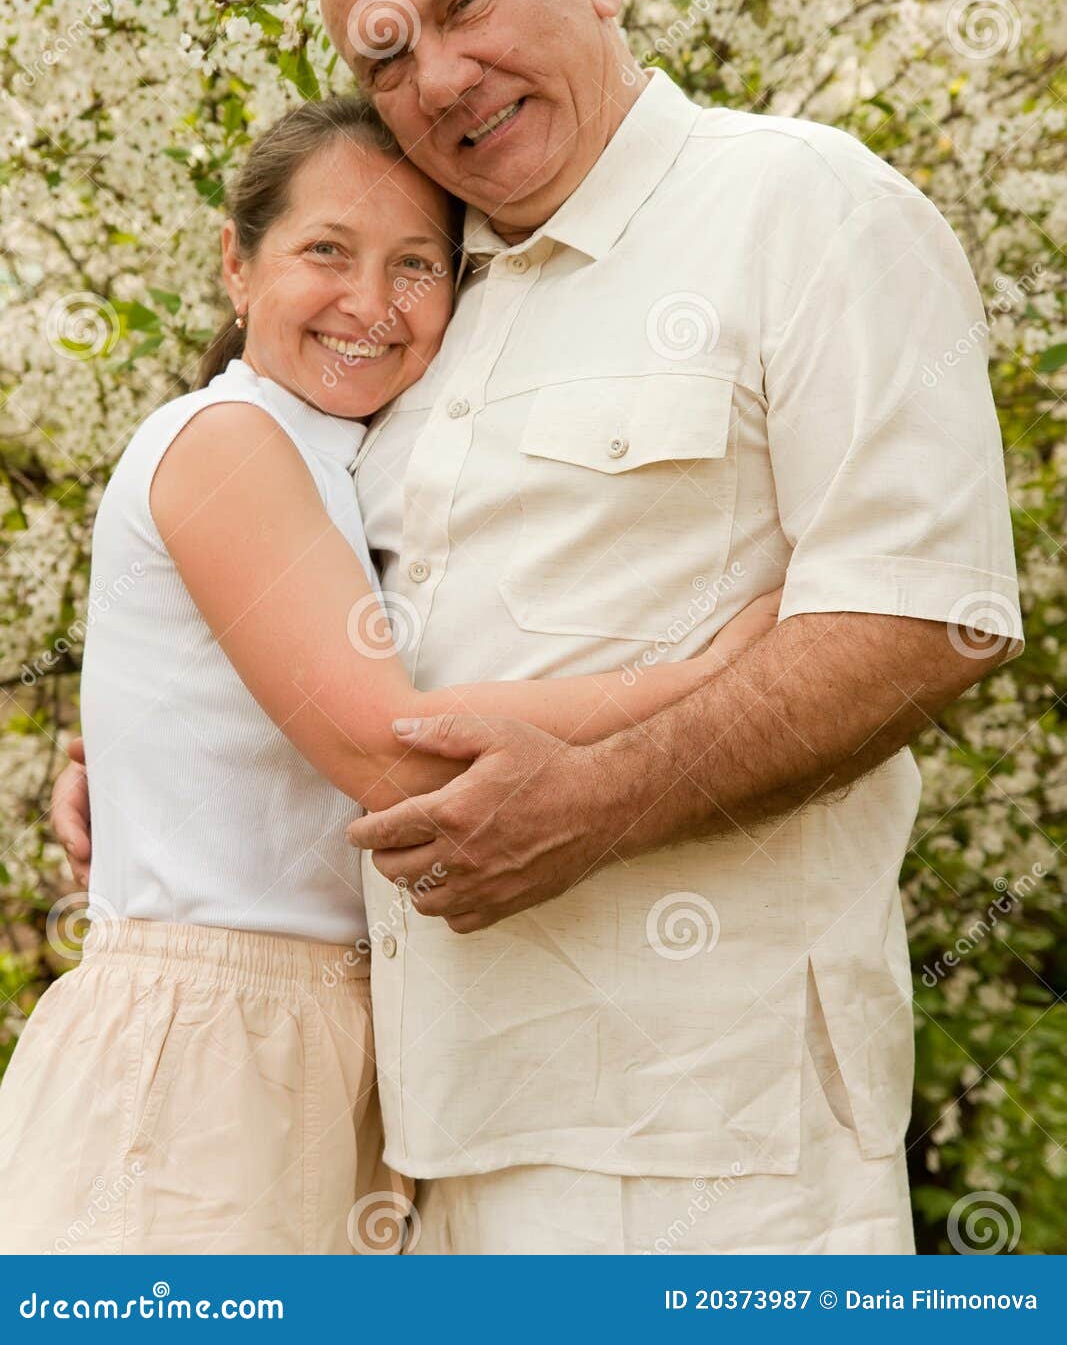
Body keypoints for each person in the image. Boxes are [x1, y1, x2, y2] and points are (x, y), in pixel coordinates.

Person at [53, 0, 1025, 1255]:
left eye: (467, 2)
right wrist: (166, 747)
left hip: (699, 1136)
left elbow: (925, 618)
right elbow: (332, 631)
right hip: (406, 1134)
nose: (439, 76)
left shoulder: (801, 211)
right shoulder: (426, 306)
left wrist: (608, 793)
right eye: (384, 55)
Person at [1, 95, 780, 1255]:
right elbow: (388, 743)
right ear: (236, 262)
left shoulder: (348, 462)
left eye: (417, 264)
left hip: (343, 1043)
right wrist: (714, 671)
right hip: (211, 1050)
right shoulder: (225, 441)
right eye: (326, 251)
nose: (371, 304)